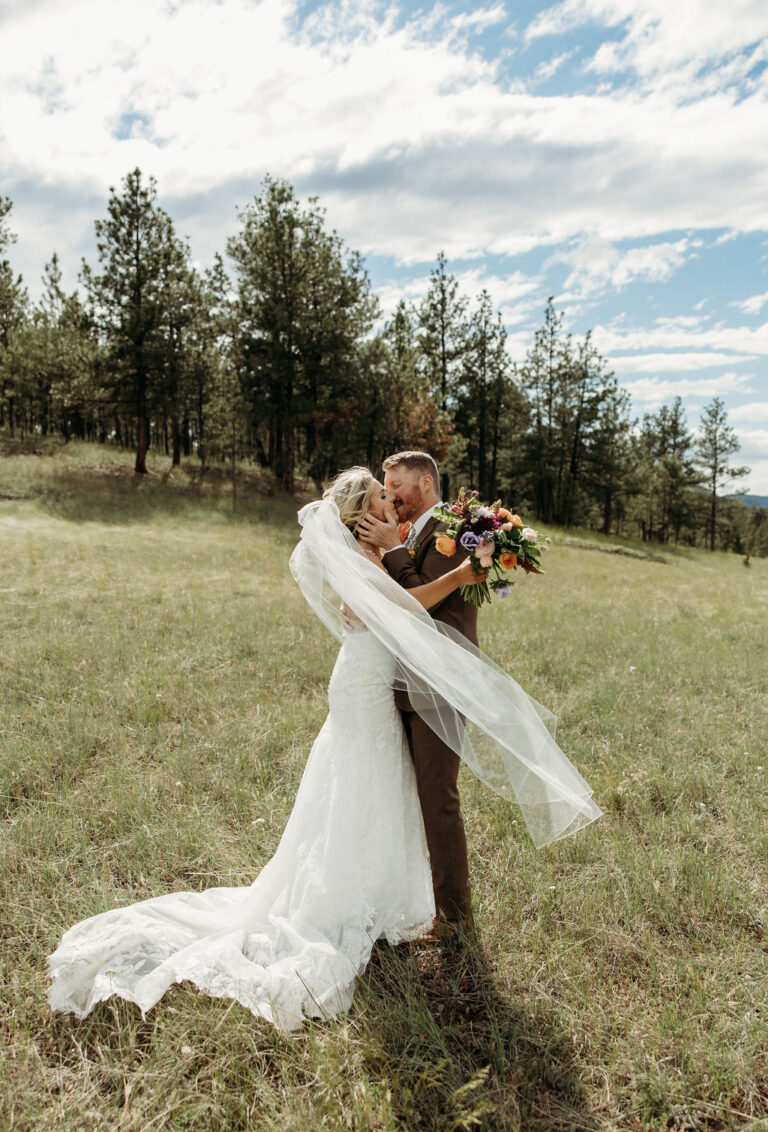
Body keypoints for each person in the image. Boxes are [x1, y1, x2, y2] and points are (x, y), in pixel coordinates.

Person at [46, 468, 487, 1032]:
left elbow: (392, 604)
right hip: (365, 689)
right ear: (363, 512)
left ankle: (376, 896)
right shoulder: (365, 553)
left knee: (362, 789)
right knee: (360, 786)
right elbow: (408, 606)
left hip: (367, 684)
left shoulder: (369, 552)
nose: (390, 499)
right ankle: (346, 904)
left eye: (391, 491)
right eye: (381, 495)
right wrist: (463, 572)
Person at [356, 451, 475, 939]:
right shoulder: (403, 533)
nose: (391, 495)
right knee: (402, 801)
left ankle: (454, 920)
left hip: (438, 684)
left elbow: (419, 603)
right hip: (400, 685)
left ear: (425, 483)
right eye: (386, 486)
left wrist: (391, 550)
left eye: (397, 485)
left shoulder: (451, 532)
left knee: (437, 800)